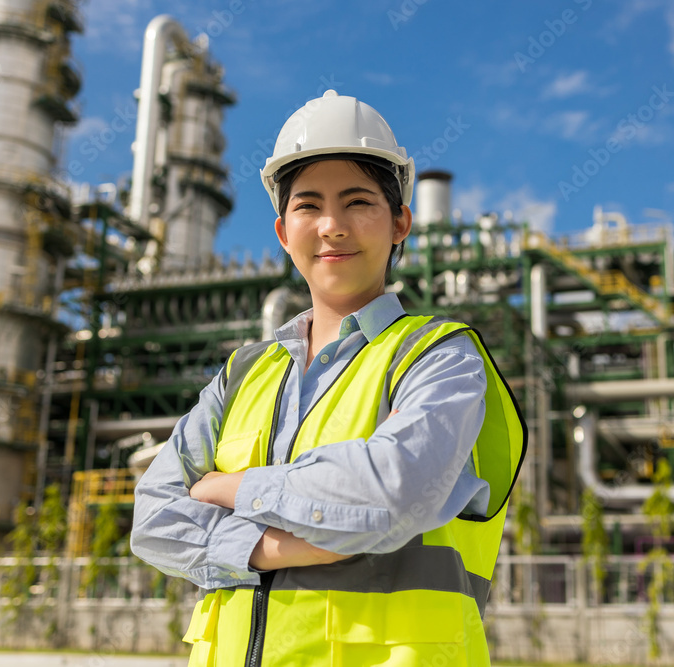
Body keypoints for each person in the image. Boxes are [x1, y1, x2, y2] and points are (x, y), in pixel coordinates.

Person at [131, 90, 527, 666]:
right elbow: (152, 518)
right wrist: (279, 547)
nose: (332, 227)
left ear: (400, 222)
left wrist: (231, 488)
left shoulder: (438, 357)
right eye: (308, 205)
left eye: (358, 202)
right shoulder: (242, 375)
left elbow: (392, 493)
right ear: (282, 232)